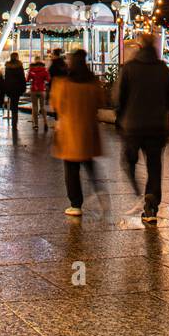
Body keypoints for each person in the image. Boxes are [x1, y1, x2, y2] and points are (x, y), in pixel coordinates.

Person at [115, 31, 169, 223]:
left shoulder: (130, 68)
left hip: (133, 126)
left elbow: (119, 97)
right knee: (154, 165)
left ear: (139, 47)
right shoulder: (162, 68)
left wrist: (120, 117)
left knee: (128, 161)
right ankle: (151, 203)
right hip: (157, 126)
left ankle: (137, 191)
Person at [50, 48, 106, 216]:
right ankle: (99, 190)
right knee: (89, 163)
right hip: (88, 129)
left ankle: (76, 204)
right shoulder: (93, 82)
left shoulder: (63, 83)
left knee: (71, 168)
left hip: (70, 130)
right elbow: (101, 101)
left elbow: (56, 105)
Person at [3, 52, 26, 132]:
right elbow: (22, 78)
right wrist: (23, 88)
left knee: (13, 105)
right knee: (15, 105)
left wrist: (5, 88)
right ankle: (14, 122)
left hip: (10, 88)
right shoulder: (19, 66)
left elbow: (6, 78)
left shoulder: (8, 66)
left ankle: (13, 121)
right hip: (17, 88)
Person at [27, 55, 50, 132]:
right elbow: (48, 79)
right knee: (43, 106)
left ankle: (36, 125)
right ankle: (45, 122)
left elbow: (27, 79)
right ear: (40, 61)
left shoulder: (31, 69)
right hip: (42, 90)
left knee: (35, 106)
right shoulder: (44, 70)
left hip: (34, 89)